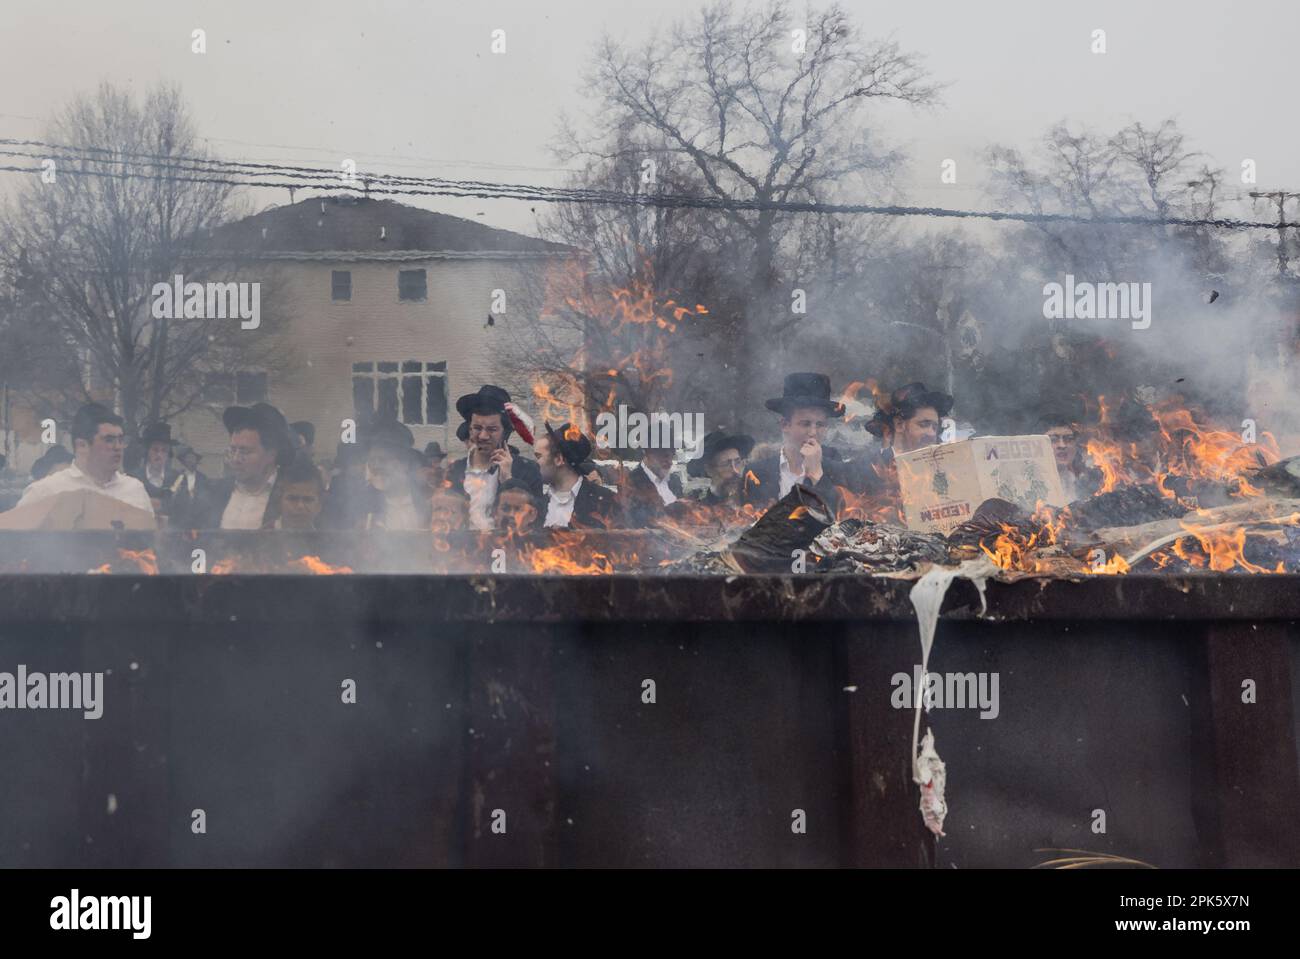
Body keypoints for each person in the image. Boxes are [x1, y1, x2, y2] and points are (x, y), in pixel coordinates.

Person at [14, 403, 154, 515]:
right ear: (82, 445)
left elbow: (149, 544)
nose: (118, 447)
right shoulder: (46, 492)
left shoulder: (135, 490)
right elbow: (12, 544)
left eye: (121, 440)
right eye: (109, 440)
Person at [742, 373, 851, 512]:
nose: (813, 432)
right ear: (785, 425)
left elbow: (842, 515)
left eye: (820, 424)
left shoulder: (835, 467)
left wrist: (816, 472)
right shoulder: (756, 472)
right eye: (805, 424)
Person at [445, 385, 543, 530]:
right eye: (477, 428)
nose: (483, 436)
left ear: (506, 432)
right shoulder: (455, 470)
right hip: (464, 549)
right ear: (470, 428)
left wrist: (508, 480)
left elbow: (536, 522)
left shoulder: (527, 471)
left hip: (508, 548)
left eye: (492, 429)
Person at [192, 402, 294, 529]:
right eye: (233, 450)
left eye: (245, 451)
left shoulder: (293, 496)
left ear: (271, 455)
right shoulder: (212, 492)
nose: (235, 459)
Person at [858, 381, 955, 495]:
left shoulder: (945, 472)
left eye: (934, 427)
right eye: (924, 424)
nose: (932, 433)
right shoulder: (867, 470)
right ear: (899, 425)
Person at [535, 423, 621, 529]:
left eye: (539, 456)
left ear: (558, 459)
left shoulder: (605, 501)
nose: (535, 463)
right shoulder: (534, 507)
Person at [356, 418, 429, 530]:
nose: (376, 467)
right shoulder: (362, 505)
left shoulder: (429, 500)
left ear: (404, 463)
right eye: (372, 460)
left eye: (383, 460)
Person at [1034, 411, 1101, 503]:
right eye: (1053, 439)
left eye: (1069, 439)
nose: (1062, 445)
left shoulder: (1093, 477)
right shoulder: (1029, 480)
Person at [688, 429, 755, 507]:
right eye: (726, 464)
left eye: (738, 462)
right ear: (709, 470)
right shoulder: (699, 510)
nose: (735, 471)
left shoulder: (755, 501)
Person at [620, 446, 683, 526]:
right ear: (648, 453)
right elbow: (636, 520)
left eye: (672, 455)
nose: (670, 462)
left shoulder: (674, 480)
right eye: (664, 455)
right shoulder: (632, 481)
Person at [130, 421, 182, 516]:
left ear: (168, 454)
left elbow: (183, 511)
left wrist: (160, 505)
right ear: (147, 451)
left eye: (164, 450)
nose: (159, 455)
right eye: (155, 449)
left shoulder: (177, 479)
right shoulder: (133, 478)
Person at [273, 455, 327, 530]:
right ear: (279, 501)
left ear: (319, 505)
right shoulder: (258, 538)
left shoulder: (328, 540)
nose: (300, 506)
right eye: (292, 498)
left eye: (308, 500)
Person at [167, 446, 211, 528]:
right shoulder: (179, 476)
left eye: (192, 458)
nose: (190, 460)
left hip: (197, 518)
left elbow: (207, 498)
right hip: (180, 516)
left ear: (196, 461)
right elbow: (172, 494)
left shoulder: (202, 478)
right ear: (184, 461)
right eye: (188, 458)